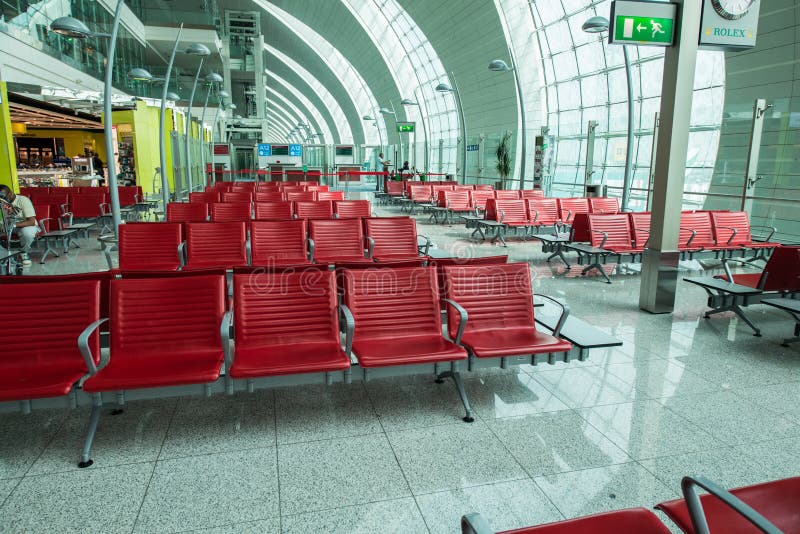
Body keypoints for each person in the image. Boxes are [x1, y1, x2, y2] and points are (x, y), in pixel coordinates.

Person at [0, 185, 38, 266]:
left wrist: (13, 225)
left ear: (10, 193)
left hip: (26, 225)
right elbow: (4, 220)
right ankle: (4, 255)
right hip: (9, 224)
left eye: (4, 197)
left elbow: (32, 222)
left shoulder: (23, 200)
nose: (3, 200)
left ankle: (24, 252)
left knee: (27, 233)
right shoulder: (3, 203)